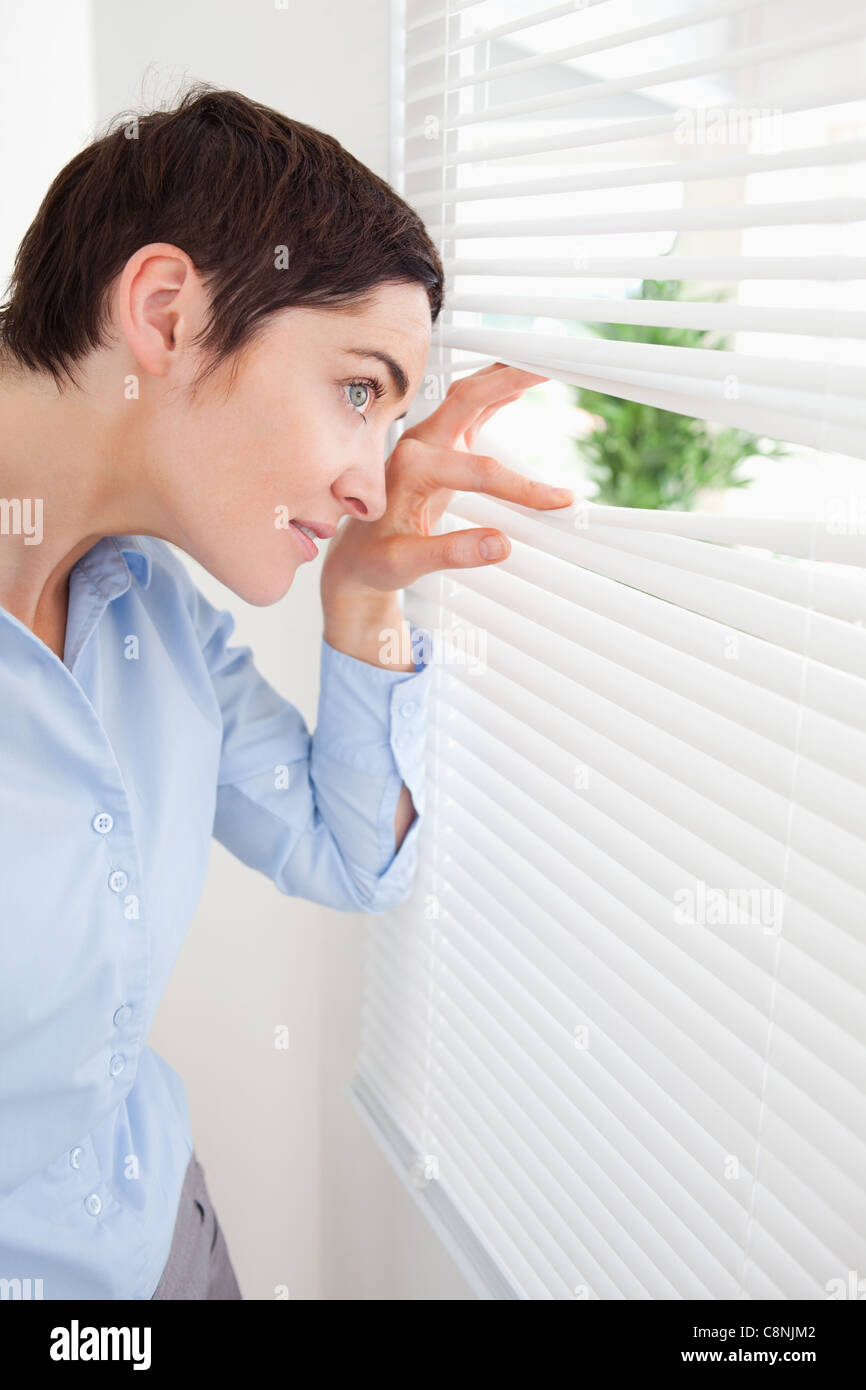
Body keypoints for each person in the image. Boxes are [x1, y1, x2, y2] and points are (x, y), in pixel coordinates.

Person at [0, 84, 573, 1300]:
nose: (372, 482)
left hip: (163, 1240)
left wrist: (362, 601)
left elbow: (352, 856)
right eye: (359, 390)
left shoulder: (152, 610)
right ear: (165, 312)